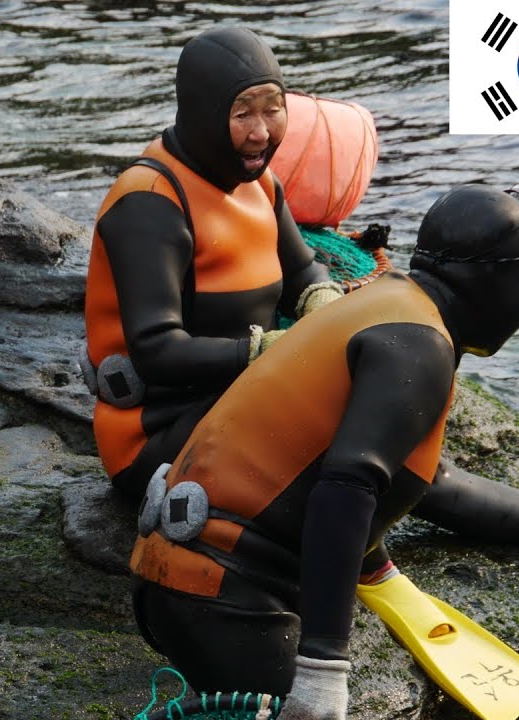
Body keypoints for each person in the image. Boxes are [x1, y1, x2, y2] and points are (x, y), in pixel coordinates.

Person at [129, 183, 519, 719]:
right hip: (226, 605)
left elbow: (405, 478)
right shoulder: (419, 345)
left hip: (178, 583)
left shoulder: (390, 302)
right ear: (507, 282)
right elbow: (347, 489)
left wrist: (372, 564)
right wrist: (323, 671)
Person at [82, 27, 347, 502]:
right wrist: (270, 352)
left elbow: (302, 272)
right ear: (203, 113)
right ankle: (366, 570)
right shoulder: (150, 202)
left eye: (273, 109)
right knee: (348, 457)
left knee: (379, 428)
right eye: (242, 113)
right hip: (159, 436)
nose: (261, 132)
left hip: (247, 396)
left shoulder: (261, 184)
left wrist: (323, 303)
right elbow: (157, 350)